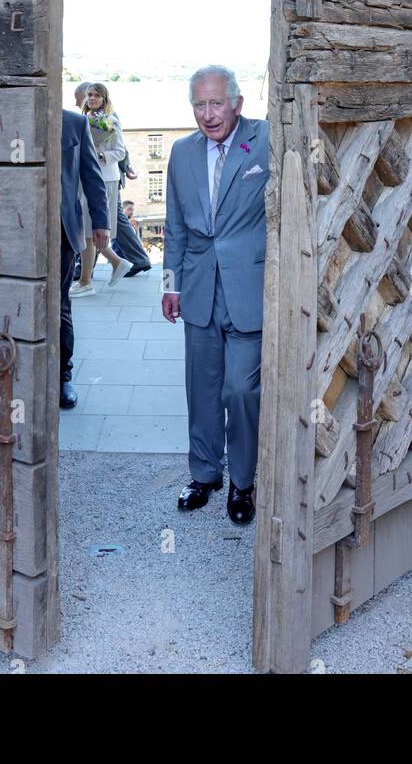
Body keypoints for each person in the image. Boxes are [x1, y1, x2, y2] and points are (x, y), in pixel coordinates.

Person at [162, 65, 268, 524]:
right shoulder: (182, 152)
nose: (208, 114)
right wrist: (171, 285)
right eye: (200, 104)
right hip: (199, 288)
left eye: (216, 103)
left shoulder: (265, 139)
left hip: (249, 288)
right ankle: (205, 474)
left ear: (237, 104)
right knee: (202, 388)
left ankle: (244, 482)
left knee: (241, 389)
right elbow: (175, 225)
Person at [60, 108, 110, 409]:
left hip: (62, 229)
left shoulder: (75, 123)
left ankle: (62, 376)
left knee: (60, 305)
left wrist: (101, 221)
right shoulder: (15, 110)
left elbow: (92, 176)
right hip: (17, 232)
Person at [70, 83, 133, 294]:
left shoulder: (111, 121)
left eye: (96, 95)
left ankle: (86, 281)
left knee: (89, 229)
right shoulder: (83, 120)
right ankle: (114, 264)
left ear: (104, 99)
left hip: (105, 178)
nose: (92, 98)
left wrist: (100, 156)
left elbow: (120, 151)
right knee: (87, 229)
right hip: (85, 177)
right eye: (89, 95)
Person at [112, 192, 151, 275]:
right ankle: (140, 260)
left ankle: (139, 261)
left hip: (125, 259)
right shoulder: (128, 224)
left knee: (114, 213)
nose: (132, 212)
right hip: (125, 258)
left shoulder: (129, 224)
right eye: (130, 209)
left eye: (132, 210)